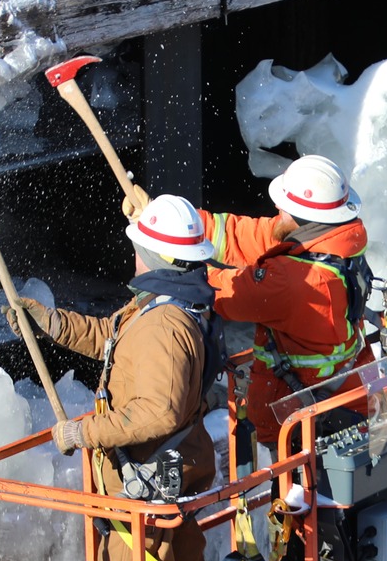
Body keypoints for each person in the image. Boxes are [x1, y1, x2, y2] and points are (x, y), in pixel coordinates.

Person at [18, 194, 231, 561]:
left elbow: (156, 411)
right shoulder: (163, 307)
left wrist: (84, 432)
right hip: (170, 471)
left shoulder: (164, 325)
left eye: (139, 249)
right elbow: (110, 340)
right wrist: (51, 324)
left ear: (155, 257)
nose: (132, 257)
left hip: (147, 475)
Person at [127, 154, 373, 450]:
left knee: (297, 493)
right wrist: (164, 217)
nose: (277, 208)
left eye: (286, 207)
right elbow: (243, 236)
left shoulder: (296, 280)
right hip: (341, 401)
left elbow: (217, 291)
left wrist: (164, 244)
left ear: (306, 217)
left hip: (304, 425)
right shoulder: (336, 244)